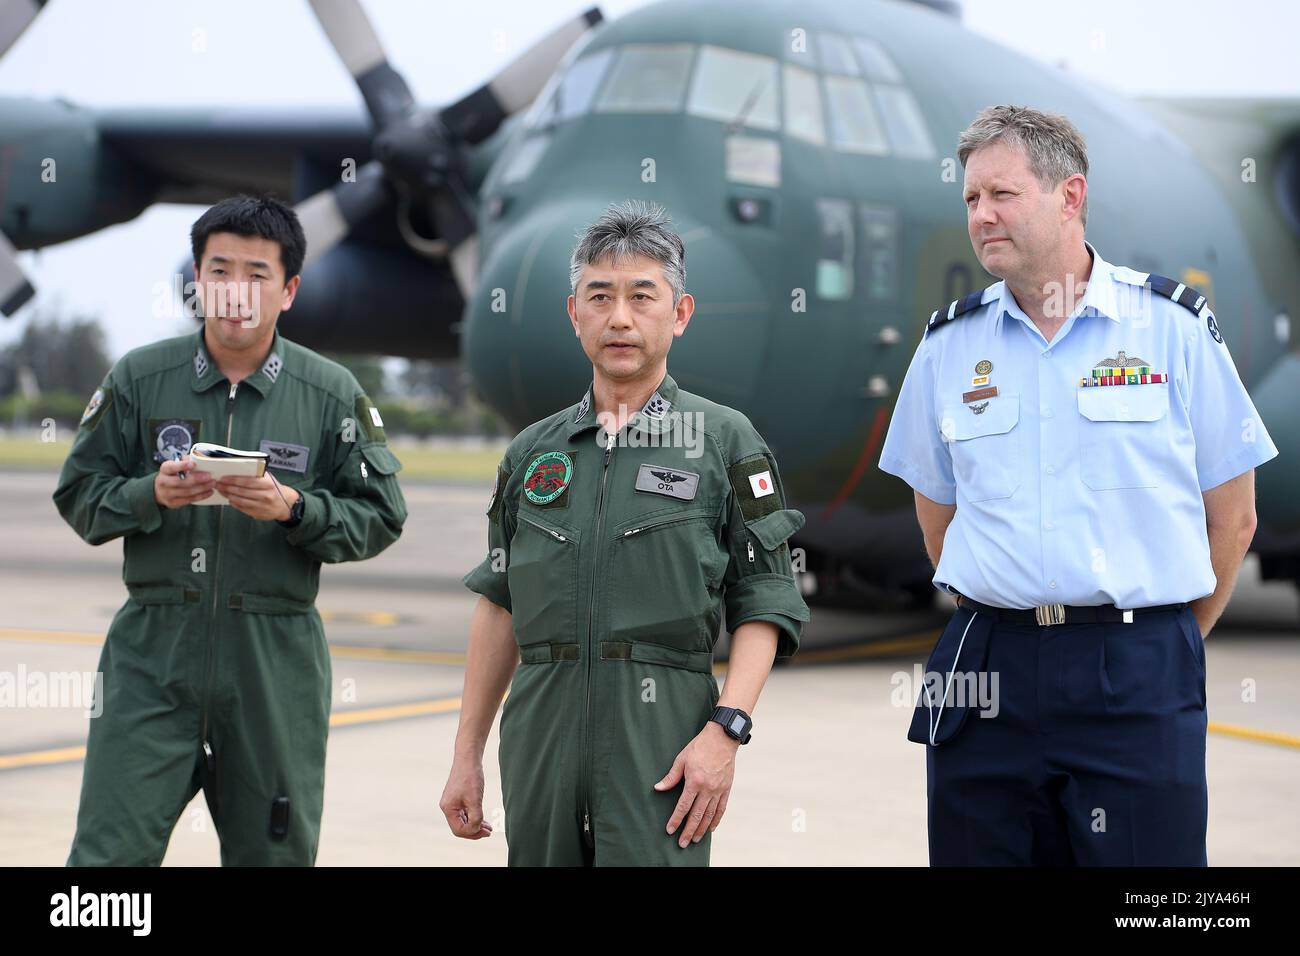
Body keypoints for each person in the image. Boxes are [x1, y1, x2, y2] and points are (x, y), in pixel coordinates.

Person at [878, 105, 1278, 866]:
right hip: (984, 669)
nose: (981, 215)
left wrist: (1165, 644)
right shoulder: (946, 346)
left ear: (1070, 196)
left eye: (1002, 194)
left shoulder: (1172, 328)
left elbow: (1233, 520)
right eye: (970, 199)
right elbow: (939, 523)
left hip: (1135, 667)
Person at [440, 200, 810, 866]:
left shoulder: (724, 440)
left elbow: (767, 600)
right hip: (539, 739)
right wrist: (465, 756)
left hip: (664, 740)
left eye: (643, 297)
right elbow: (499, 603)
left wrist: (725, 732)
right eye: (600, 296)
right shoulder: (533, 451)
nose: (619, 318)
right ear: (573, 312)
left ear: (681, 313)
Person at [55, 195, 408, 865]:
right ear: (196, 278)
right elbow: (79, 494)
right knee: (106, 861)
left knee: (274, 856)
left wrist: (294, 509)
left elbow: (382, 514)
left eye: (256, 273)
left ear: (289, 290)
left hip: (273, 664)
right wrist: (149, 494)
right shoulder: (139, 379)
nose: (235, 292)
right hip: (151, 659)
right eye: (219, 271)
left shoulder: (331, 394)